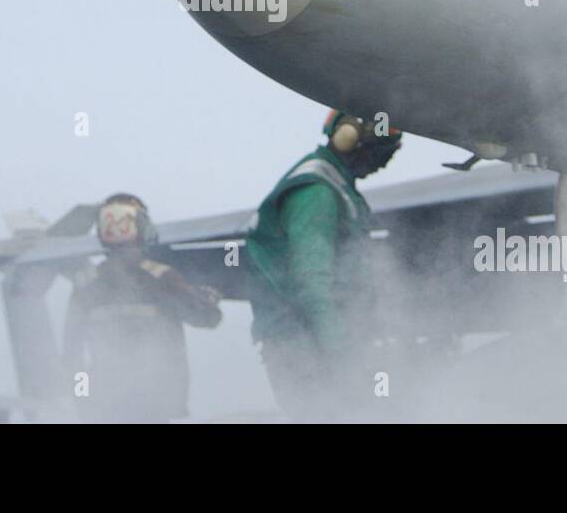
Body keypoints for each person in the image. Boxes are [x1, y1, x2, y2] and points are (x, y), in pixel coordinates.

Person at [245, 110, 402, 420]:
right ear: (353, 135)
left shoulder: (335, 185)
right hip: (308, 350)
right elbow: (312, 285)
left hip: (317, 345)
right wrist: (346, 356)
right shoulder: (317, 192)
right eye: (385, 144)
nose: (385, 158)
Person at [62, 194, 222, 423]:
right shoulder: (162, 277)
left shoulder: (84, 285)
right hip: (156, 404)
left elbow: (72, 354)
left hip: (104, 406)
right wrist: (209, 298)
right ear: (142, 227)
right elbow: (209, 318)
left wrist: (84, 401)